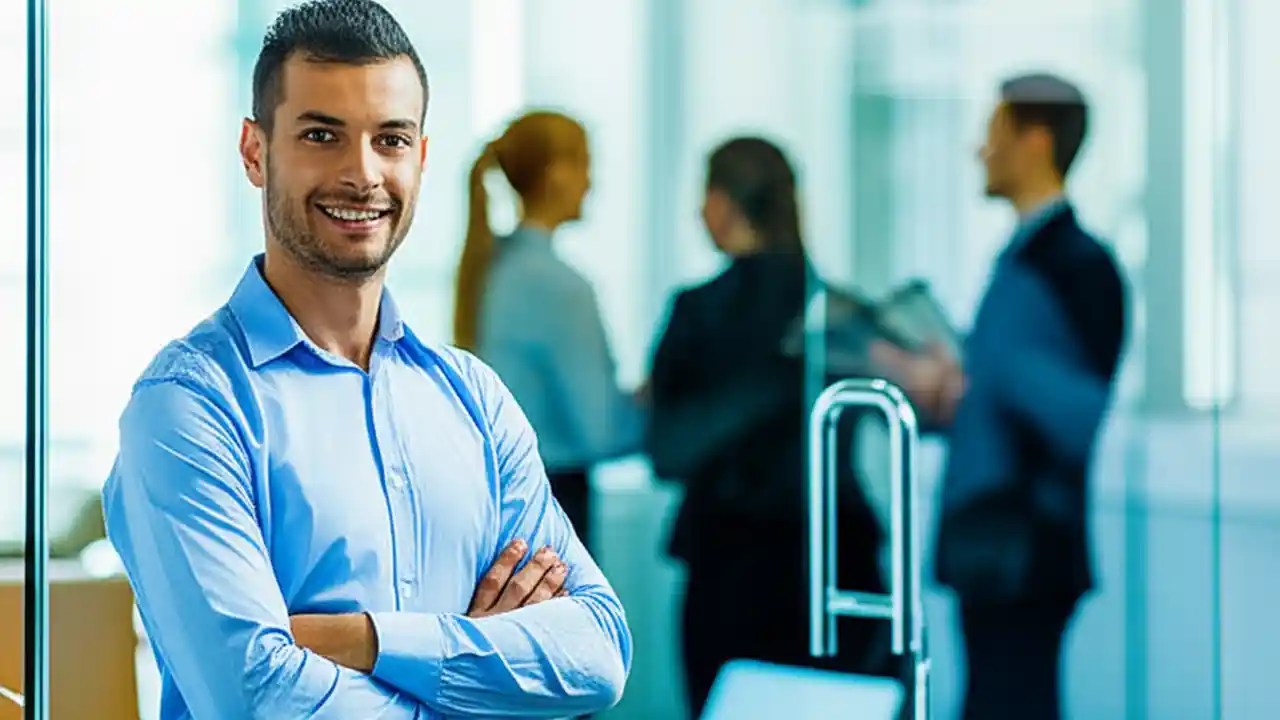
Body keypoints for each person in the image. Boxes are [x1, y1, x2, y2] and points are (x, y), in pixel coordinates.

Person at [100, 2, 631, 718]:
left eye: (390, 139)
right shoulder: (189, 406)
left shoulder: (473, 400)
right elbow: (257, 700)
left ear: (420, 157)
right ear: (255, 152)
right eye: (322, 135)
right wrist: (482, 670)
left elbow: (598, 656)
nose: (362, 174)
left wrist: (365, 641)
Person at [871, 73, 1127, 720]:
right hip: (995, 546)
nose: (979, 152)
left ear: (1035, 142)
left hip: (1028, 549)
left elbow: (1080, 416)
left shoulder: (1078, 265)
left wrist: (983, 374)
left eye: (993, 136)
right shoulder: (1024, 259)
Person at [646, 137, 891, 717]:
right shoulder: (841, 311)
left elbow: (666, 452)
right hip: (836, 560)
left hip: (731, 568)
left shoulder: (698, 312)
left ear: (723, 204)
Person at [453, 110, 643, 552]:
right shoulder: (559, 287)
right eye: (585, 166)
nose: (591, 184)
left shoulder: (491, 268)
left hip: (501, 504)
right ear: (558, 174)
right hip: (554, 506)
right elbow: (601, 431)